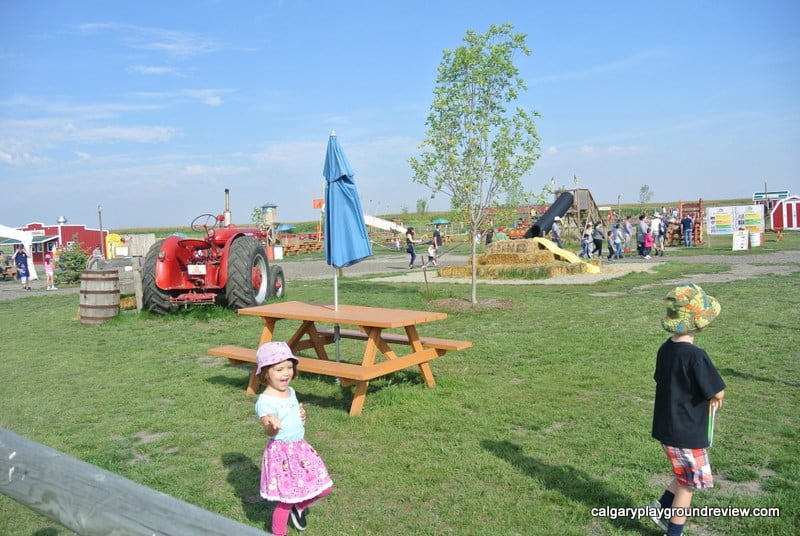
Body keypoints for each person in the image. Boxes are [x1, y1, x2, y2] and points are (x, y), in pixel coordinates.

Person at [648, 284, 725, 536]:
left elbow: (662, 379)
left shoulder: (665, 348)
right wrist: (715, 396)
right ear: (699, 322)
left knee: (684, 474)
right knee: (688, 485)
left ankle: (659, 509)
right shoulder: (696, 356)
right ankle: (674, 532)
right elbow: (717, 391)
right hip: (687, 431)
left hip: (668, 427)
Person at [255, 342, 333, 536]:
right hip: (281, 454)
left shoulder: (292, 392)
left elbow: (294, 413)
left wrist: (301, 415)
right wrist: (271, 426)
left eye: (289, 367)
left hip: (301, 448)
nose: (286, 373)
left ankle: (299, 508)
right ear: (266, 373)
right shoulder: (265, 401)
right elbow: (268, 428)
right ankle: (278, 532)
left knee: (324, 486)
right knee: (285, 501)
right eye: (279, 368)